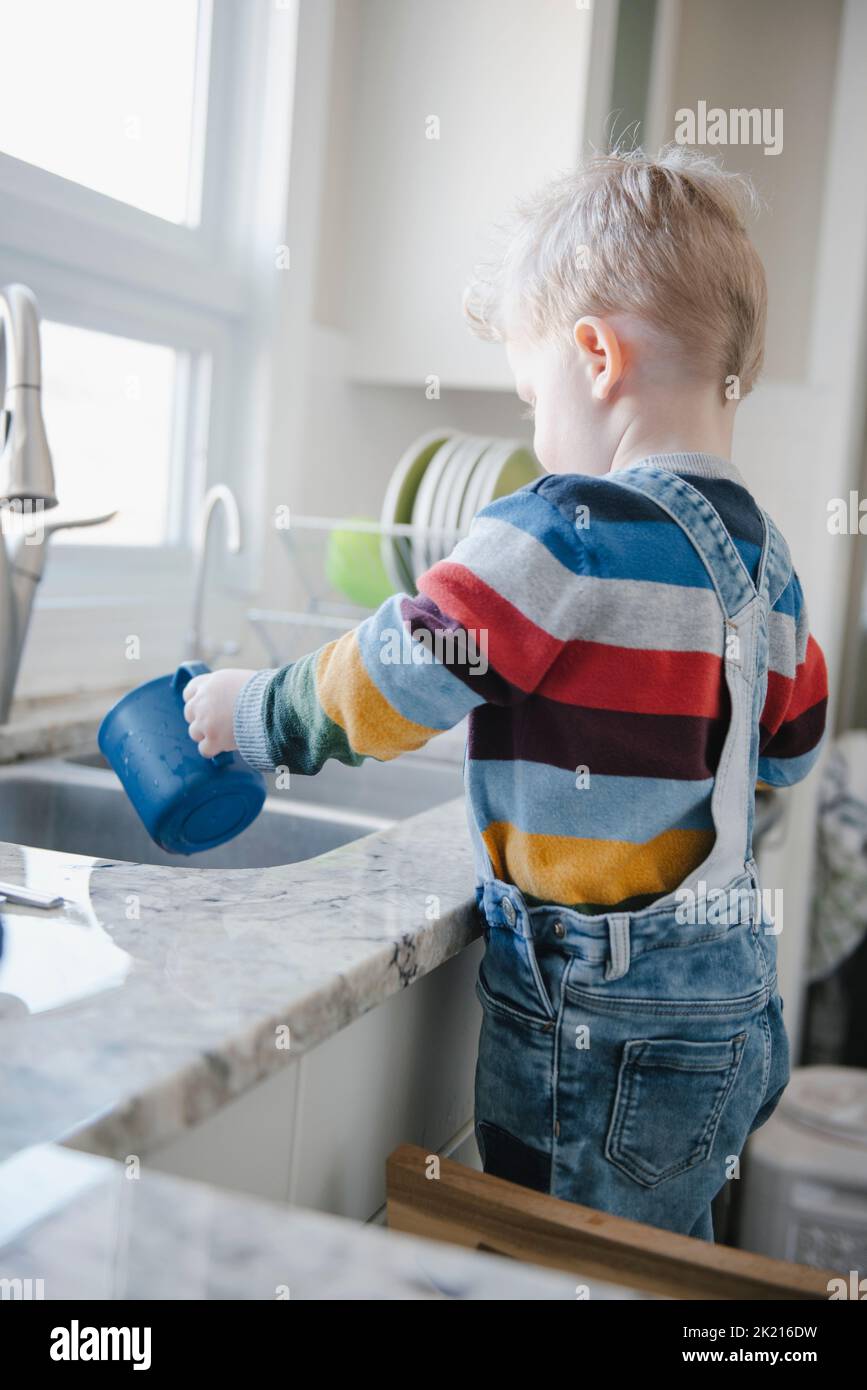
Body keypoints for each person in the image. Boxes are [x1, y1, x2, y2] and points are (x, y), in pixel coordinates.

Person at [182, 147, 828, 1241]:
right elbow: (789, 750)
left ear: (595, 355)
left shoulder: (561, 525)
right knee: (660, 1264)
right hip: (730, 1003)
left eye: (534, 399)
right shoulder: (769, 562)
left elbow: (401, 673)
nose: (535, 435)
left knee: (557, 1267)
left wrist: (254, 711)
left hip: (601, 1016)